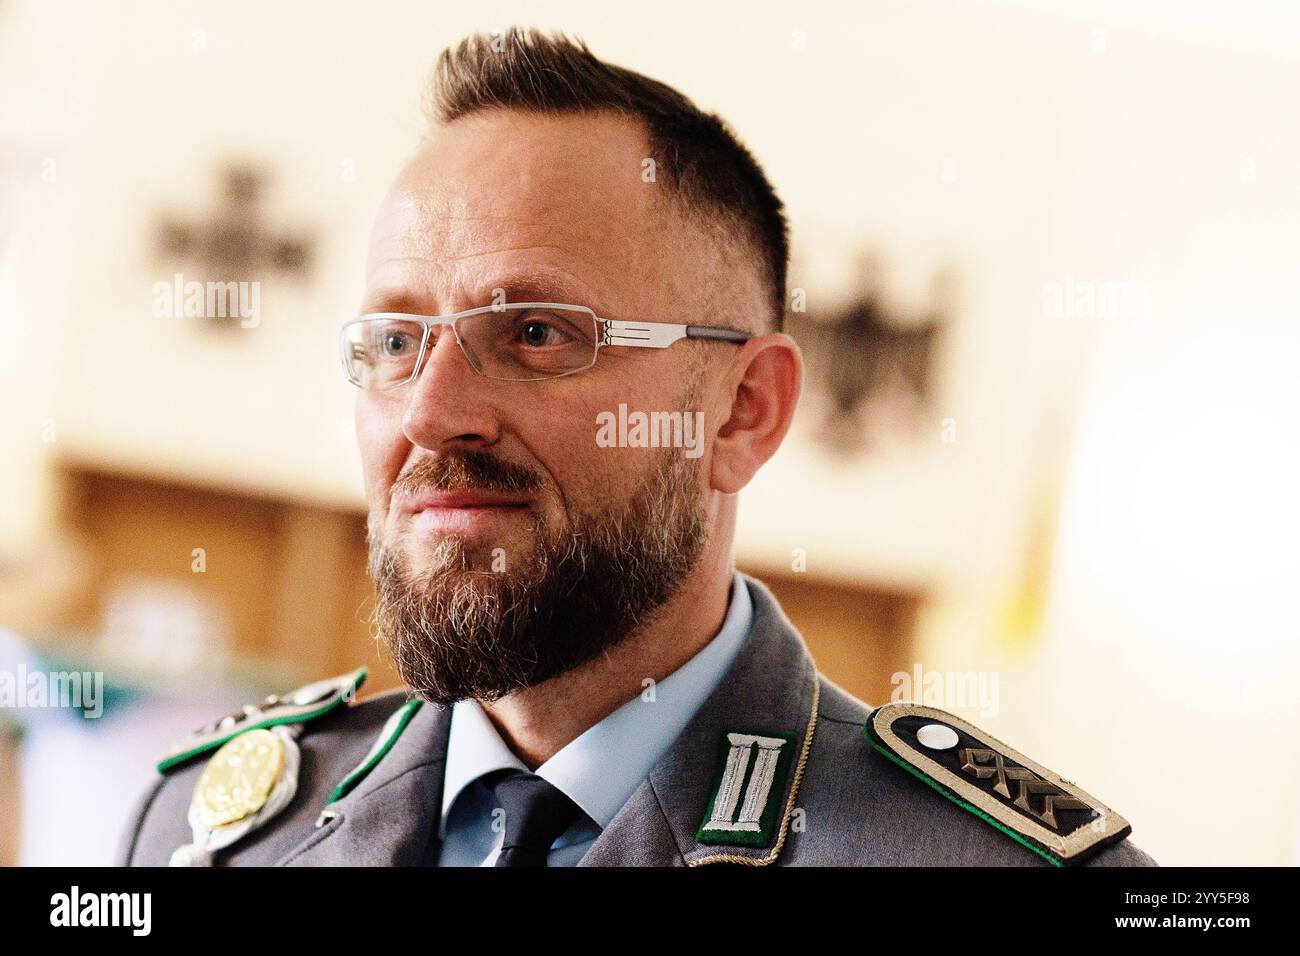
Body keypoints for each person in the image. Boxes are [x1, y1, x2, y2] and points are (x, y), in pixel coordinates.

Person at [119, 27, 1155, 868]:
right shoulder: (206, 831)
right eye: (395, 341)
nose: (433, 414)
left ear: (744, 410)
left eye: (535, 333)